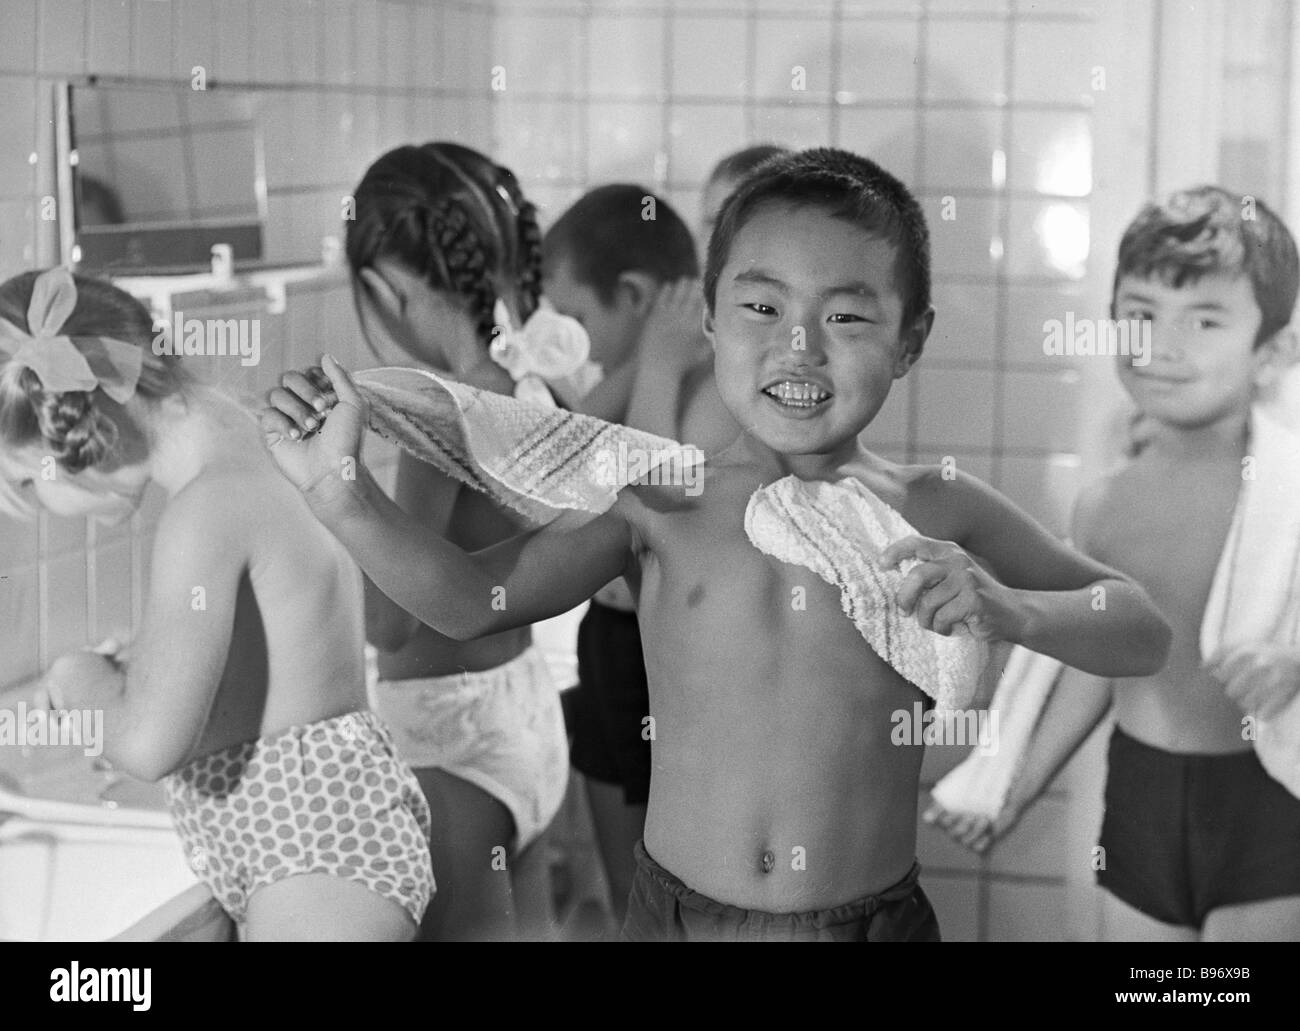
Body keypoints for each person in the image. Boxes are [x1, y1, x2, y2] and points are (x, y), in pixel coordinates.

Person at [261, 148, 1171, 941]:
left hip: (867, 921)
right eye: (762, 308)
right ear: (709, 321)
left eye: (848, 317)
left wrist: (1012, 609)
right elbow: (465, 600)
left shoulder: (938, 508)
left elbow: (1138, 627)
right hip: (678, 916)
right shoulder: (662, 498)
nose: (801, 347)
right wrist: (337, 491)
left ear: (910, 340)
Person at [0, 268, 432, 941]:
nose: (42, 505)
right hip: (331, 847)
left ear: (80, 430)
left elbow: (148, 745)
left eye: (29, 478)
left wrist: (74, 678)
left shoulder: (203, 510)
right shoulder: (267, 442)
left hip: (311, 868)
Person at [927, 186, 1300, 942]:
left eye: (1204, 319)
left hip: (1266, 800)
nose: (1162, 344)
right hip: (1143, 796)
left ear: (1273, 351)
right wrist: (1016, 784)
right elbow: (1096, 664)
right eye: (1142, 312)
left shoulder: (1289, 491)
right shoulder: (1104, 504)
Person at [343, 141, 591, 940]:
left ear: (383, 289)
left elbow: (391, 621)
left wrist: (342, 487)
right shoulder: (523, 380)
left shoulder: (441, 413)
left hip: (448, 741)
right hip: (526, 714)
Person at [542, 184, 736, 931]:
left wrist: (654, 365)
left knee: (659, 892)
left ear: (634, 295)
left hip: (664, 656)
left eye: (579, 319)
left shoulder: (707, 385)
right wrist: (642, 361)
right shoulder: (638, 370)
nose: (576, 341)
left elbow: (659, 489)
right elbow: (551, 464)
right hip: (613, 639)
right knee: (631, 885)